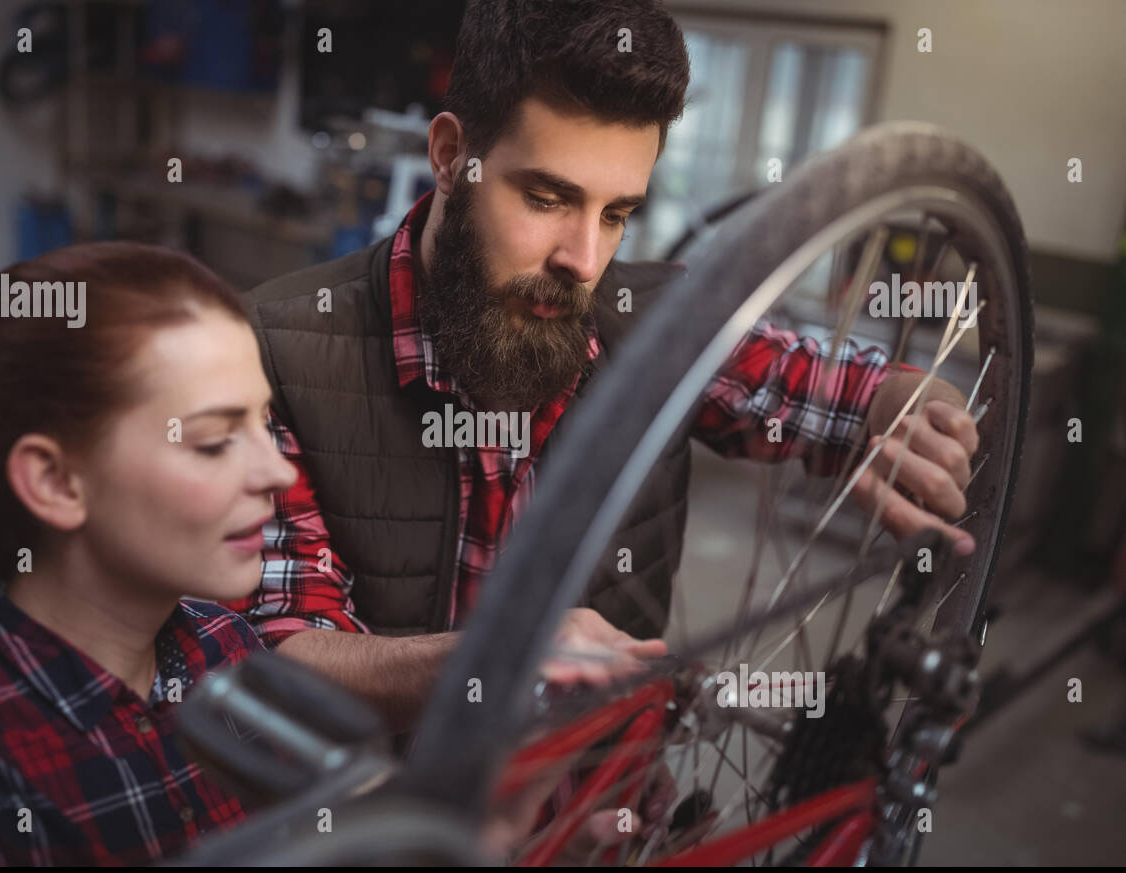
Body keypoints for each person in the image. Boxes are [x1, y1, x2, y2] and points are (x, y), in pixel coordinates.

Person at [222, 0, 980, 733]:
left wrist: (908, 409)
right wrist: (501, 664)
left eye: (617, 214)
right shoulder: (281, 350)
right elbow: (285, 649)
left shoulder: (658, 327)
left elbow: (854, 390)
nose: (583, 261)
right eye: (548, 198)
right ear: (451, 156)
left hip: (600, 814)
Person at [0, 242, 302, 865]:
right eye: (213, 441)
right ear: (55, 482)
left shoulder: (229, 647)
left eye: (264, 425)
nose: (279, 473)